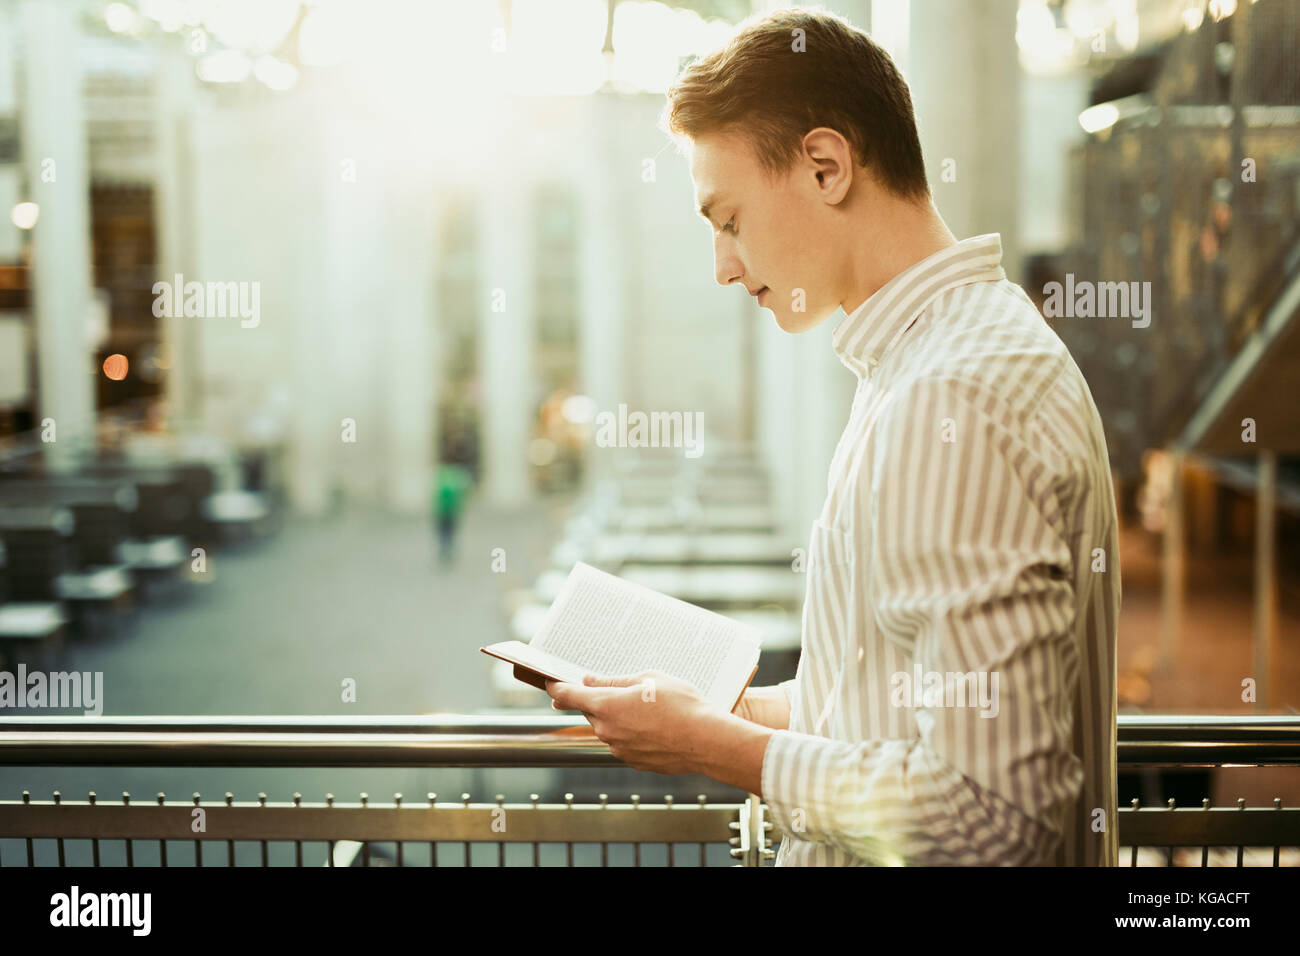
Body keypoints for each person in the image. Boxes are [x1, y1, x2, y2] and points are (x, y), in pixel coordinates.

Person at [546, 7, 1119, 866]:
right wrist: (726, 712)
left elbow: (997, 818)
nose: (724, 268)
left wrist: (717, 751)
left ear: (825, 166)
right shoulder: (933, 361)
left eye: (729, 219)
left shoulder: (951, 397)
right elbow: (885, 712)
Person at [432, 460, 471, 565]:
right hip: (452, 512)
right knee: (450, 533)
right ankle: (449, 551)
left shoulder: (441, 476)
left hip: (442, 512)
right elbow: (464, 492)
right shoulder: (457, 477)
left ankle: (444, 551)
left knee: (443, 533)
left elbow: (435, 495)